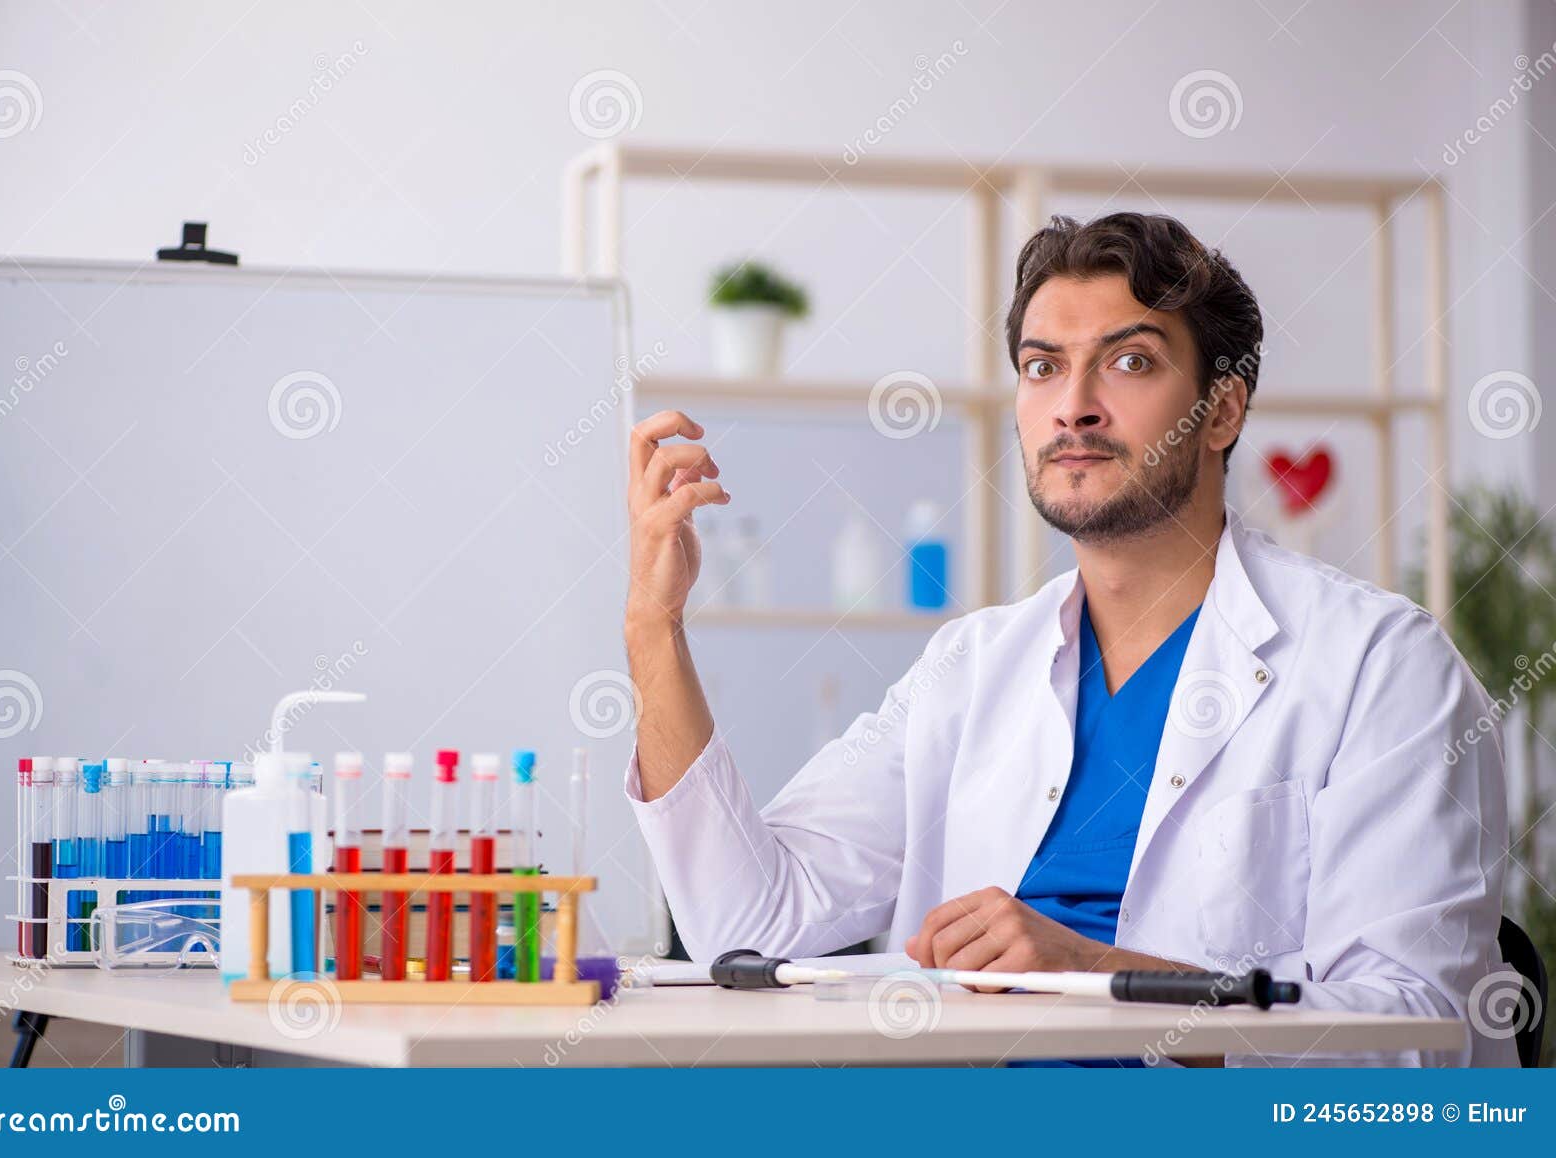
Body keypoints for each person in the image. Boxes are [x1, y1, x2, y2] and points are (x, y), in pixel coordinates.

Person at [621, 212, 1515, 1066]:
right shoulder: (971, 669)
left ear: (1223, 411)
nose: (1074, 407)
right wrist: (653, 629)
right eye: (1043, 367)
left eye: (1129, 361)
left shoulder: (1379, 665)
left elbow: (1410, 1037)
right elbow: (749, 923)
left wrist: (1090, 973)